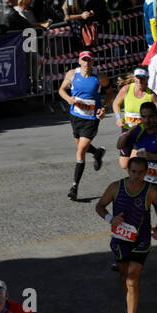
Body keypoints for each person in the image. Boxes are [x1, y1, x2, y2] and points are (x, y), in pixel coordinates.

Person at [94, 155, 157, 313]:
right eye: (133, 172)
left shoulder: (151, 191)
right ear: (128, 170)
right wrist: (111, 218)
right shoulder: (116, 187)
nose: (136, 176)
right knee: (124, 277)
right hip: (120, 242)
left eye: (140, 173)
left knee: (132, 280)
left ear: (146, 173)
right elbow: (100, 206)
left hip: (141, 242)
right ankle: (129, 306)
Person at [116, 100, 157, 259]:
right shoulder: (139, 131)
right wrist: (129, 132)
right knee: (137, 216)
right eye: (143, 117)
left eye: (151, 117)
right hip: (141, 182)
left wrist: (155, 157)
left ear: (156, 117)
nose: (147, 120)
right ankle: (129, 254)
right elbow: (120, 145)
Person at [58, 50, 107, 201]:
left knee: (80, 152)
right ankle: (97, 153)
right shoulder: (72, 74)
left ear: (93, 62)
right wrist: (68, 99)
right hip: (76, 116)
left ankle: (74, 187)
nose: (86, 63)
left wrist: (104, 107)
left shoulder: (99, 77)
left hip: (91, 119)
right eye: (84, 60)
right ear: (79, 61)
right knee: (82, 147)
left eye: (89, 60)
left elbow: (110, 91)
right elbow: (61, 90)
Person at [111, 67, 157, 169]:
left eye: (142, 78)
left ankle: (139, 180)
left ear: (147, 79)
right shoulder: (126, 89)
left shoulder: (151, 95)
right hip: (127, 131)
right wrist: (118, 118)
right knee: (124, 165)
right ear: (134, 78)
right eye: (138, 78)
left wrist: (152, 119)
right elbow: (116, 103)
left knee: (133, 163)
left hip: (142, 133)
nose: (139, 81)